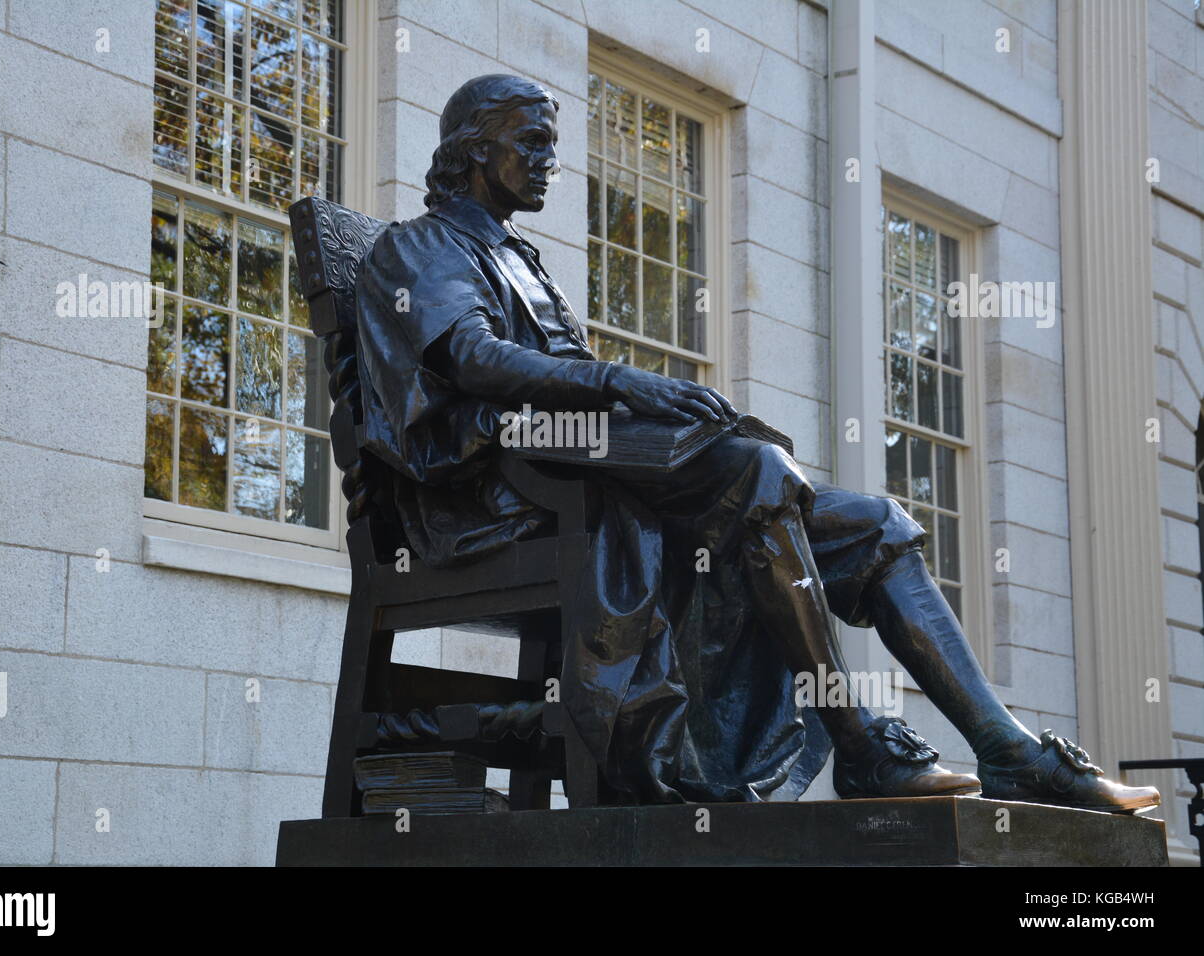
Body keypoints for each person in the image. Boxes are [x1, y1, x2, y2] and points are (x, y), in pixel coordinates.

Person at [352, 73, 1158, 814]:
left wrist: (643, 402)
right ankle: (855, 740)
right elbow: (476, 360)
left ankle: (1007, 748)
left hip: (582, 471)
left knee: (874, 524)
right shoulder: (421, 246)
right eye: (531, 141)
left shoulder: (520, 258)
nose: (549, 159)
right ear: (470, 149)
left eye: (552, 144)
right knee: (757, 471)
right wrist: (626, 384)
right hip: (496, 498)